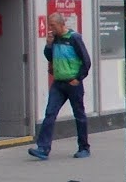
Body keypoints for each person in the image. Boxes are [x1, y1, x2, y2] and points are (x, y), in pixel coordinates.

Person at [29, 12, 92, 161]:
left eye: (52, 25)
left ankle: (84, 147)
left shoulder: (74, 38)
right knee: (50, 113)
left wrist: (78, 78)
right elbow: (49, 56)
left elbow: (86, 60)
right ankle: (43, 148)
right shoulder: (55, 39)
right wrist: (49, 44)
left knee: (79, 115)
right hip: (58, 83)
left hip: (72, 83)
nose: (50, 28)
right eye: (49, 25)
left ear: (61, 24)